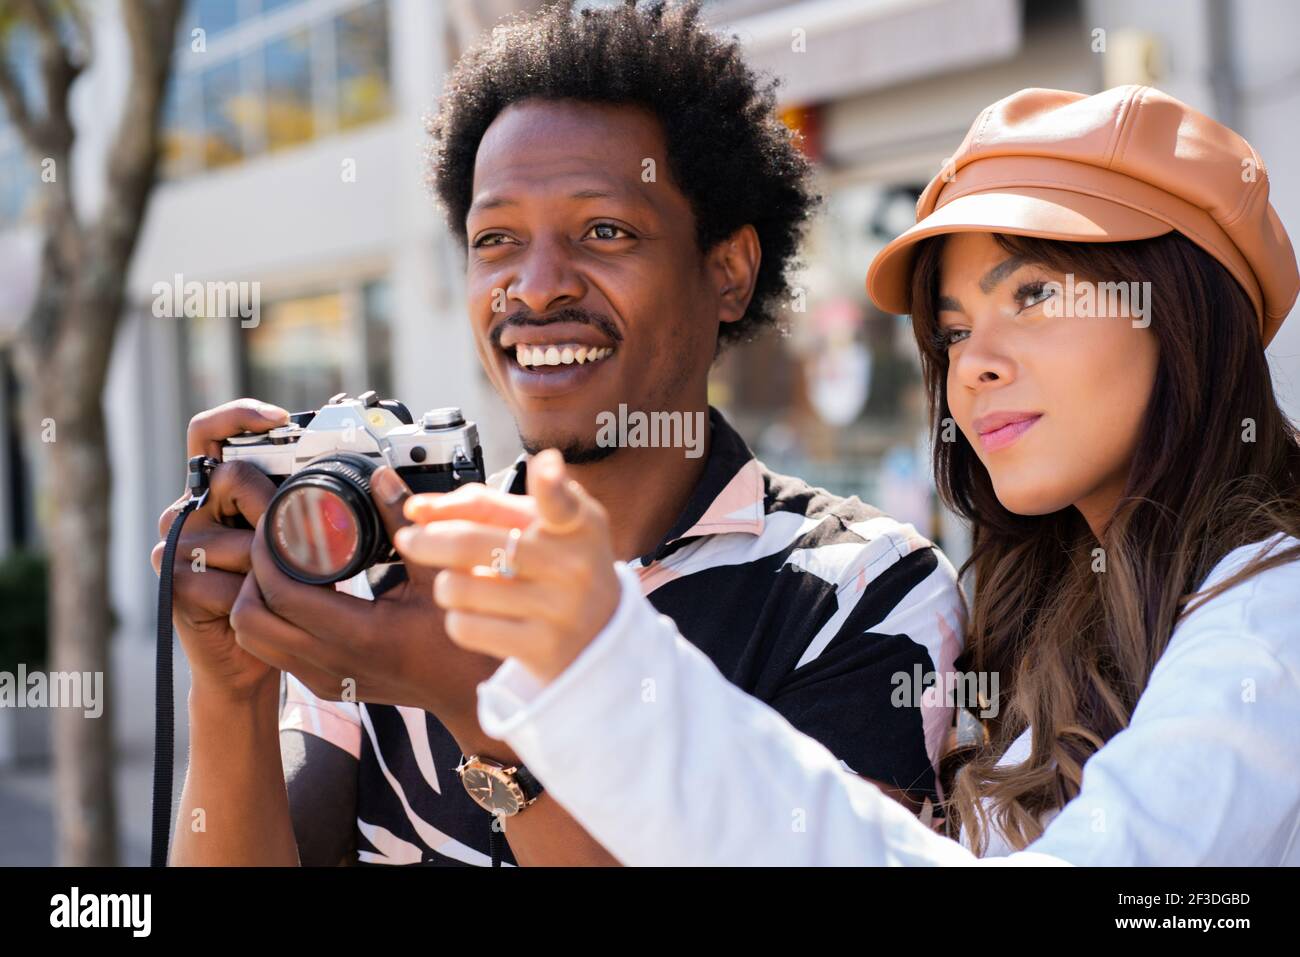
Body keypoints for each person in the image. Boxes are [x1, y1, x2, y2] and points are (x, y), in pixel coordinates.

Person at [151, 0, 964, 866]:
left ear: (727, 271)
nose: (534, 289)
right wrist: (229, 685)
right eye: (495, 238)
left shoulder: (860, 589)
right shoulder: (389, 566)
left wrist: (480, 707)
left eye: (603, 231)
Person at [399, 85, 1300, 865]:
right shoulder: (1058, 620)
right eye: (950, 330)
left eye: (1032, 295)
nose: (974, 364)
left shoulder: (1272, 617)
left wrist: (591, 666)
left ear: (1181, 310)